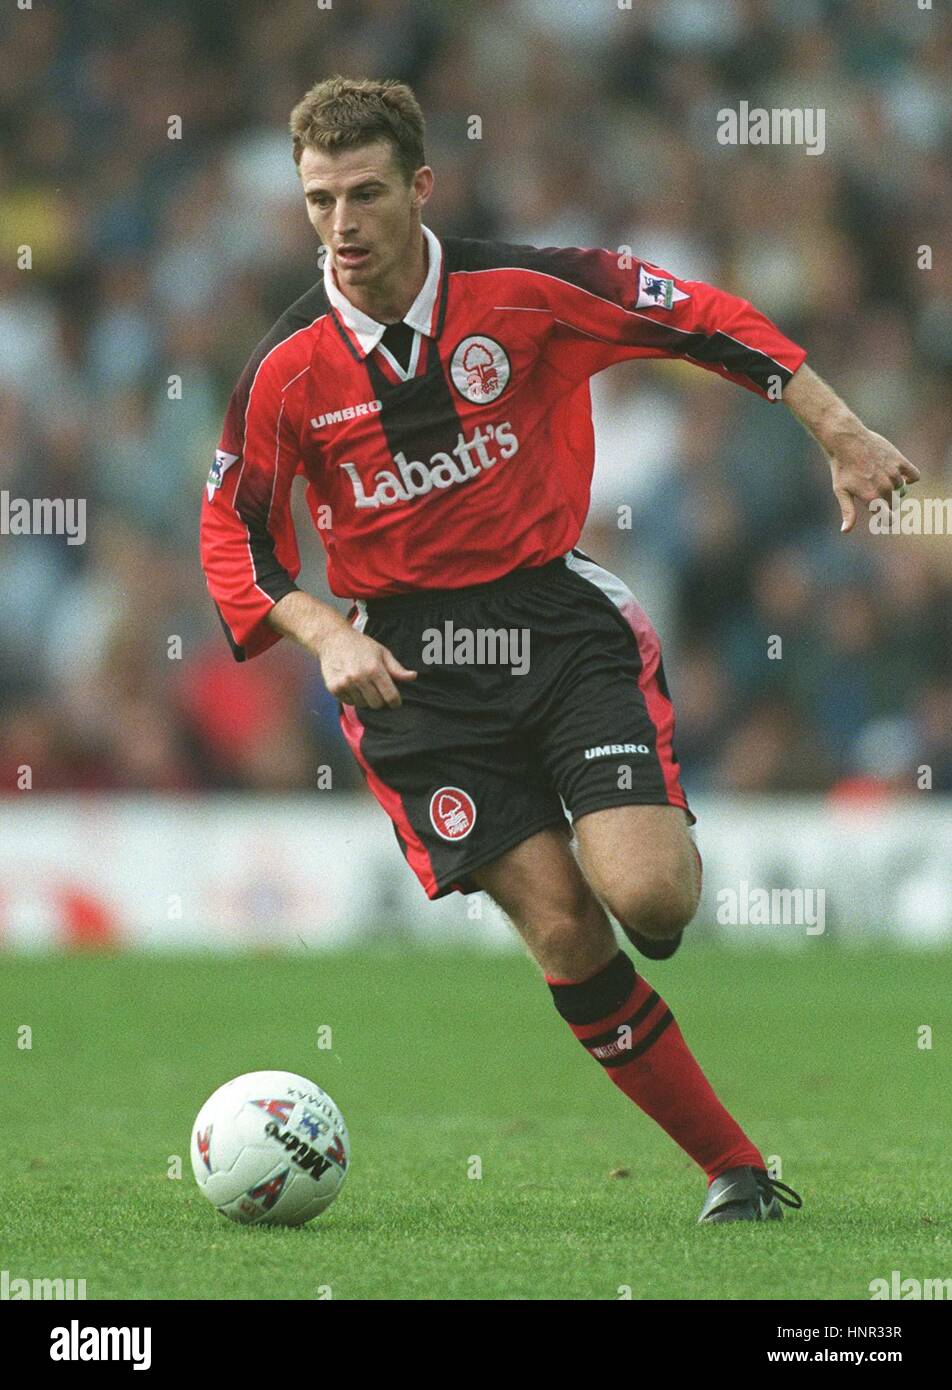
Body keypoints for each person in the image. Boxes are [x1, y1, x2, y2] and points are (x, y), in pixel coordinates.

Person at [200, 76, 919, 1223]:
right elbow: (233, 539)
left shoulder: (529, 291)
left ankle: (630, 831)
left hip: (555, 627)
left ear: (421, 188)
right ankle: (736, 1172)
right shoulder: (287, 371)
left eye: (366, 194)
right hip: (410, 675)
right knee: (563, 924)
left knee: (651, 900)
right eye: (319, 200)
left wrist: (838, 427)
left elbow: (698, 314)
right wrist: (320, 625)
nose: (342, 225)